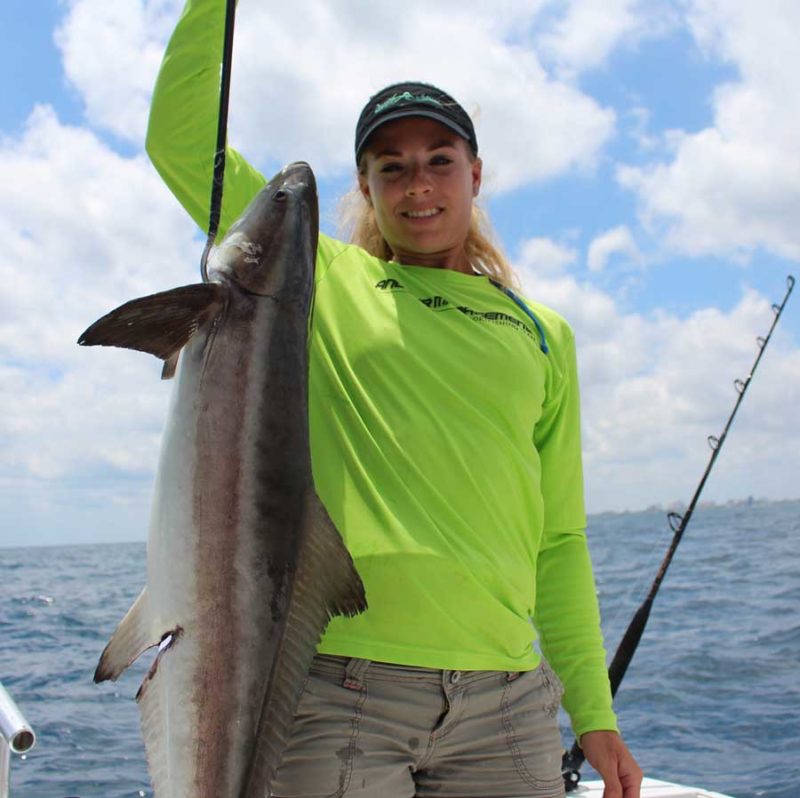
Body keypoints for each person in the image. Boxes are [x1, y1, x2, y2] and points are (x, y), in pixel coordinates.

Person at [146, 2, 643, 797]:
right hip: (345, 692)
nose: (418, 185)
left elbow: (559, 541)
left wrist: (594, 712)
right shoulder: (317, 278)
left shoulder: (543, 332)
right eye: (392, 166)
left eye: (438, 160)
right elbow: (177, 139)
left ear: (475, 174)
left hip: (509, 703)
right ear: (367, 188)